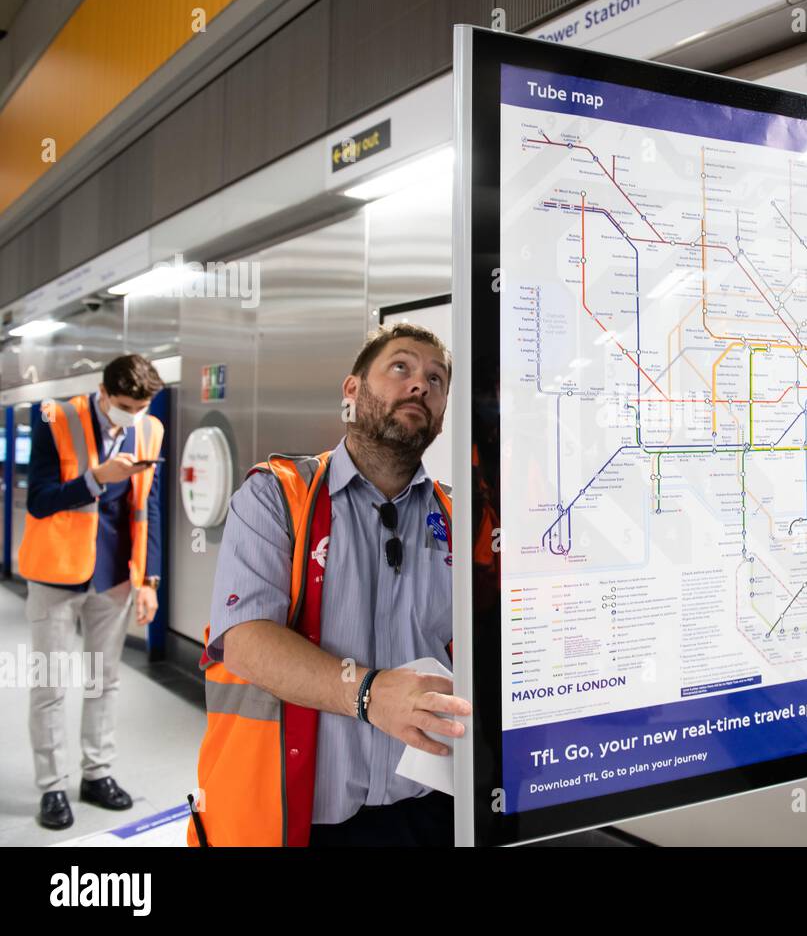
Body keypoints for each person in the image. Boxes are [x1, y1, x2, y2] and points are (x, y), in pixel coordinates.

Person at [189, 323, 472, 847]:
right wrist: (369, 694)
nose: (420, 386)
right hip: (299, 816)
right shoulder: (277, 496)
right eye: (401, 367)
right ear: (352, 391)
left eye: (436, 380)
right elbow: (246, 642)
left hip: (428, 810)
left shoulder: (455, 516)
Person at [19, 353, 165, 830]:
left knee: (105, 681)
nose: (133, 415)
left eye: (141, 407)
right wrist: (95, 479)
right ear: (103, 393)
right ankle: (53, 786)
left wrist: (149, 581)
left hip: (116, 577)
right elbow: (39, 500)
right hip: (56, 574)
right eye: (124, 405)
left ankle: (96, 773)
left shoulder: (150, 430)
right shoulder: (55, 419)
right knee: (51, 684)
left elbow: (151, 509)